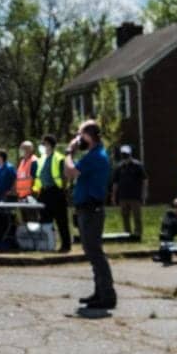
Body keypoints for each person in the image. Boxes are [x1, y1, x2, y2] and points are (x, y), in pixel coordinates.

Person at [69, 121, 116, 311]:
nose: (78, 139)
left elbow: (70, 172)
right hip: (86, 208)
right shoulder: (92, 155)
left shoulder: (95, 156)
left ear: (88, 136)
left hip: (91, 210)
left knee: (95, 252)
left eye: (80, 135)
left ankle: (107, 295)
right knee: (92, 252)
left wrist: (68, 153)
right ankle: (100, 292)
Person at [34, 133, 72, 253]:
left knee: (61, 220)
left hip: (56, 192)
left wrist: (63, 190)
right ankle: (47, 244)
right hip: (44, 192)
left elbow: (65, 176)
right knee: (45, 220)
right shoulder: (42, 158)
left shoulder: (59, 158)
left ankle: (66, 245)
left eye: (44, 143)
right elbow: (39, 176)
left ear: (50, 145)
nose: (42, 145)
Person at [111, 144, 147, 241]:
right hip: (123, 196)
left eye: (126, 154)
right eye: (123, 155)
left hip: (135, 196)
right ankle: (127, 234)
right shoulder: (119, 167)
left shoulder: (138, 165)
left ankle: (137, 234)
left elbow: (144, 181)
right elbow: (115, 183)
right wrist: (114, 196)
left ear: (130, 154)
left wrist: (143, 194)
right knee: (125, 216)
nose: (125, 156)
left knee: (137, 217)